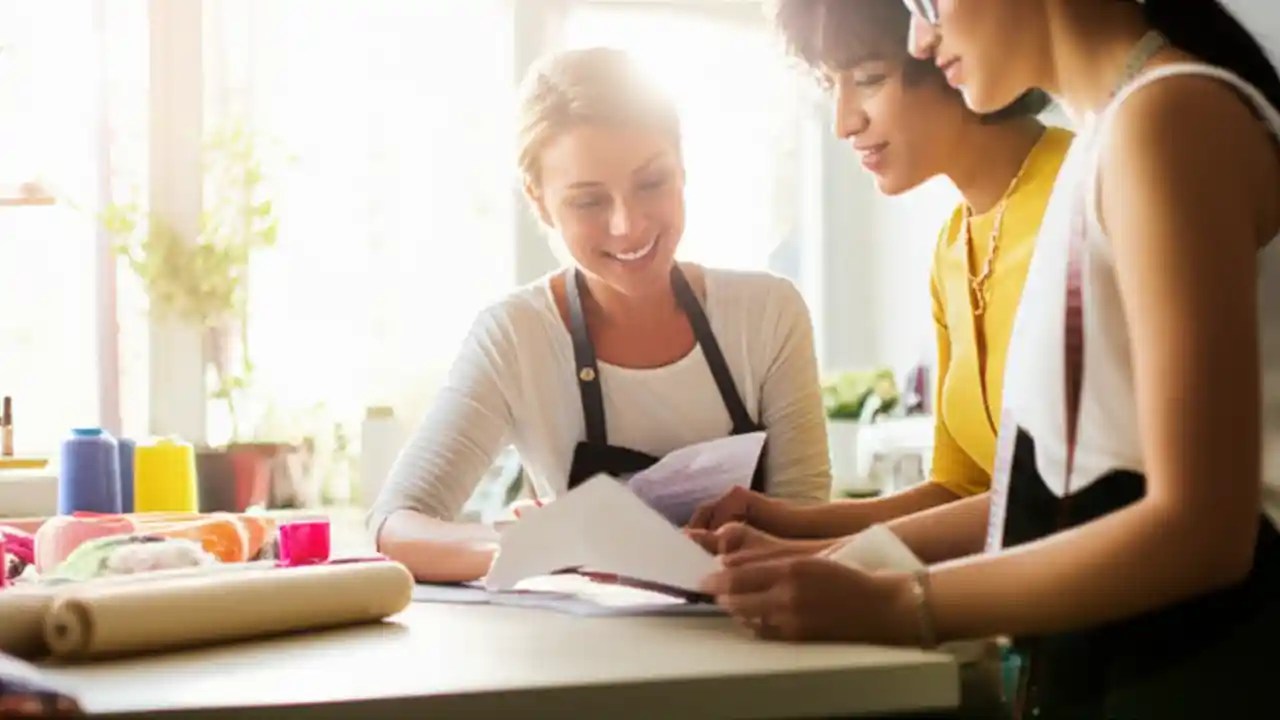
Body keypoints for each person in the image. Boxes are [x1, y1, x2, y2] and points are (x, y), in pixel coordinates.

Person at [702, 0, 1280, 716]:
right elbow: (1034, 489)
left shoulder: (1167, 120)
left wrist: (898, 602)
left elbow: (1202, 530)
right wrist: (819, 557)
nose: (919, 34)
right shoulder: (1116, 134)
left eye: (925, 2)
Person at [368, 47, 832, 583]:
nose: (627, 226)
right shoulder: (515, 337)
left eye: (652, 183)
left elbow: (810, 524)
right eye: (589, 202)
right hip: (589, 656)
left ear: (682, 168)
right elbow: (395, 526)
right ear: (539, 202)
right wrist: (529, 546)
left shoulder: (768, 315)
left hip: (760, 635)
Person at [688, 0, 1072, 545]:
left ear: (941, 50)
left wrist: (813, 555)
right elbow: (960, 490)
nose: (845, 122)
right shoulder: (951, 246)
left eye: (868, 79)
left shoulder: (1081, 195)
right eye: (831, 86)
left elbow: (1063, 502)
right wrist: (781, 522)